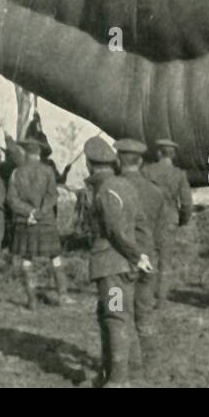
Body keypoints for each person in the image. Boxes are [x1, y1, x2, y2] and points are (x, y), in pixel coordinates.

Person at [84, 137, 150, 388]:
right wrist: (142, 257)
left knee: (115, 318)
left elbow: (116, 232)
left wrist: (135, 256)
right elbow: (141, 226)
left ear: (91, 165)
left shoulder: (107, 191)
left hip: (112, 266)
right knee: (123, 317)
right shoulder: (126, 186)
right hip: (124, 265)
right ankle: (134, 375)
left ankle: (118, 380)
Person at [115, 138, 168, 372]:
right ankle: (150, 363)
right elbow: (159, 232)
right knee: (144, 311)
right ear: (141, 161)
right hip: (147, 261)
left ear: (118, 161)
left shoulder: (111, 188)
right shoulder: (155, 191)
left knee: (116, 312)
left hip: (117, 263)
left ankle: (122, 365)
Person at [7, 138, 69, 308]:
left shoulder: (15, 173)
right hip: (46, 221)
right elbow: (52, 195)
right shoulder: (48, 171)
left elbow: (12, 199)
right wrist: (40, 211)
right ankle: (62, 296)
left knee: (27, 259)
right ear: (39, 154)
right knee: (55, 257)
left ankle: (32, 300)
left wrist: (30, 212)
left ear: (25, 153)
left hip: (25, 222)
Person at [143, 138, 192, 306]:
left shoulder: (147, 171)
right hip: (170, 221)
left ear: (158, 153)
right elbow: (186, 203)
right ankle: (162, 299)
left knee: (146, 258)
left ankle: (145, 297)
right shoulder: (179, 174)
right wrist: (183, 220)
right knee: (165, 261)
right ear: (173, 155)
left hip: (149, 220)